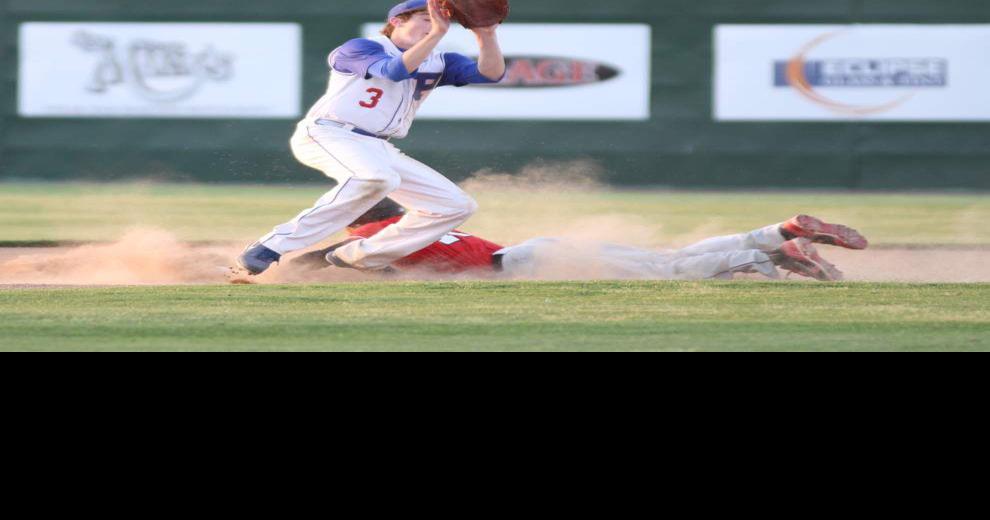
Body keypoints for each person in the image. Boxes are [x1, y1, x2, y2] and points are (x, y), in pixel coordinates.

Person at [236, 0, 506, 275]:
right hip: (329, 133)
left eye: (440, 18)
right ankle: (270, 246)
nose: (436, 24)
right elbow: (393, 71)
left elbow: (491, 73)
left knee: (454, 205)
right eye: (426, 18)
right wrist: (436, 33)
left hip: (377, 145)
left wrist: (486, 35)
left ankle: (358, 255)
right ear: (398, 20)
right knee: (377, 178)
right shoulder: (360, 48)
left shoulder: (439, 59)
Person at [292, 199, 870, 281]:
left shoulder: (372, 233)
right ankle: (779, 234)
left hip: (519, 264)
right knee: (668, 259)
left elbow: (329, 259)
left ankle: (760, 255)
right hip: (533, 246)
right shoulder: (423, 218)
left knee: (665, 272)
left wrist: (268, 267)